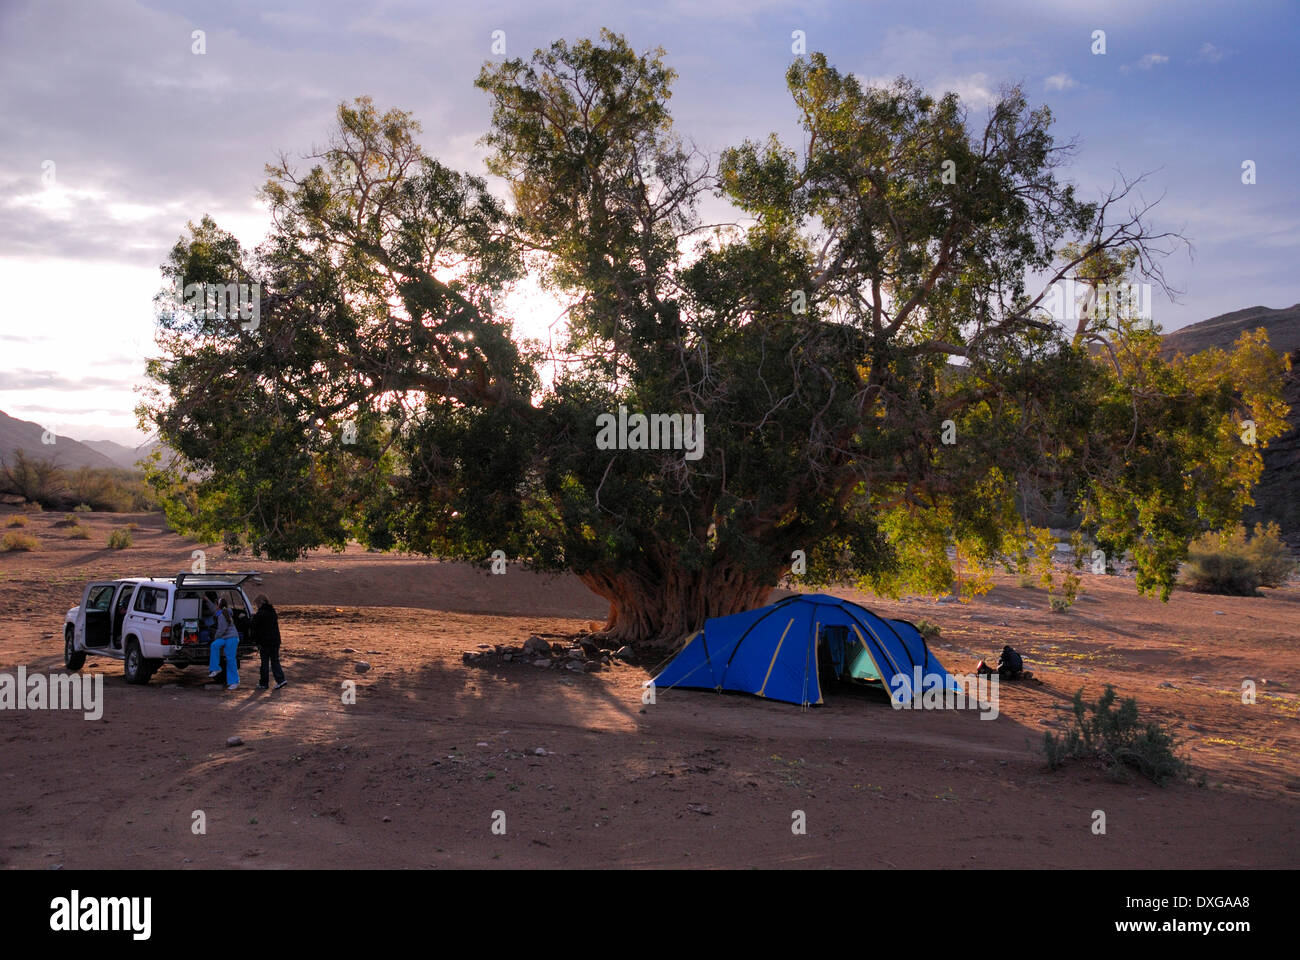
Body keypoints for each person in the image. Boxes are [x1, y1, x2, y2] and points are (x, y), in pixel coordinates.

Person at [250, 594, 287, 690]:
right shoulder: (272, 611)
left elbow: (254, 625)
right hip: (275, 640)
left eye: (257, 604)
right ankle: (281, 679)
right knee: (275, 661)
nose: (256, 606)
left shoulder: (261, 613)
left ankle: (264, 683)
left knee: (265, 663)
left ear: (261, 602)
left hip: (265, 642)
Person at [207, 598, 241, 690]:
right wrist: (207, 600)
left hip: (231, 638)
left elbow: (222, 629)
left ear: (219, 605)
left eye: (216, 604)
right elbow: (213, 609)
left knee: (230, 659)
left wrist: (215, 637)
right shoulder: (222, 612)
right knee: (214, 645)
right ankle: (216, 668)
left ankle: (234, 681)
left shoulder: (222, 615)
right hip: (225, 637)